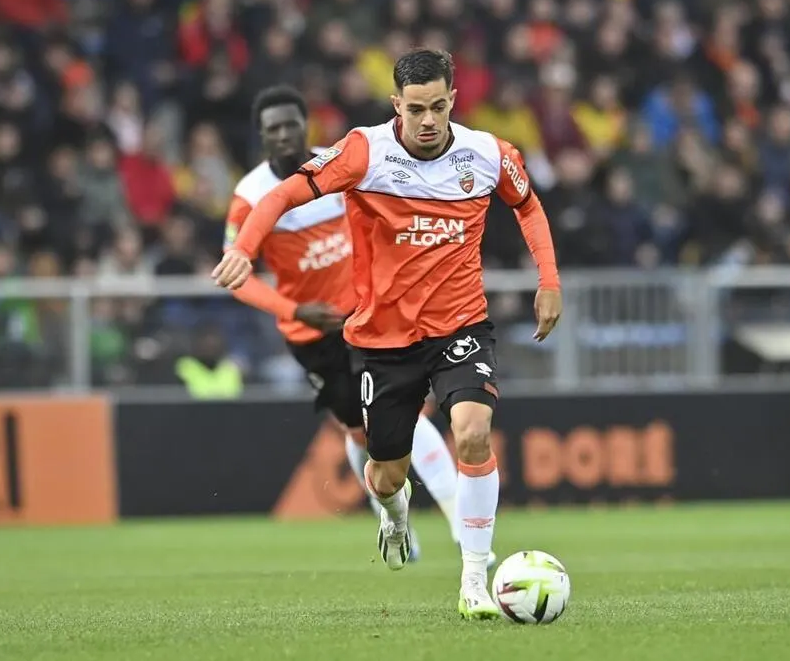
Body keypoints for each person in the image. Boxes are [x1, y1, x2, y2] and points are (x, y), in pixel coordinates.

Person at [213, 50, 562, 620]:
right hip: (382, 338)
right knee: (384, 474)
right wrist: (244, 250)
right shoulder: (363, 152)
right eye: (416, 109)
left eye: (439, 107)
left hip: (459, 325)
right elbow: (282, 196)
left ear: (453, 101)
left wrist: (549, 280)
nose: (428, 120)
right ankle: (395, 516)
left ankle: (475, 576)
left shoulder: (488, 154)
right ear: (396, 104)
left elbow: (527, 205)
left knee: (473, 433)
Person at [224, 85, 491, 566]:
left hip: (367, 318)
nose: (284, 136)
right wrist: (294, 310)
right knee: (357, 431)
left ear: (305, 125)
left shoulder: (339, 166)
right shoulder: (250, 195)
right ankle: (388, 513)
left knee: (409, 416)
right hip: (312, 335)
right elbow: (237, 276)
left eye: (291, 125)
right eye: (273, 129)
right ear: (261, 136)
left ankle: (459, 523)